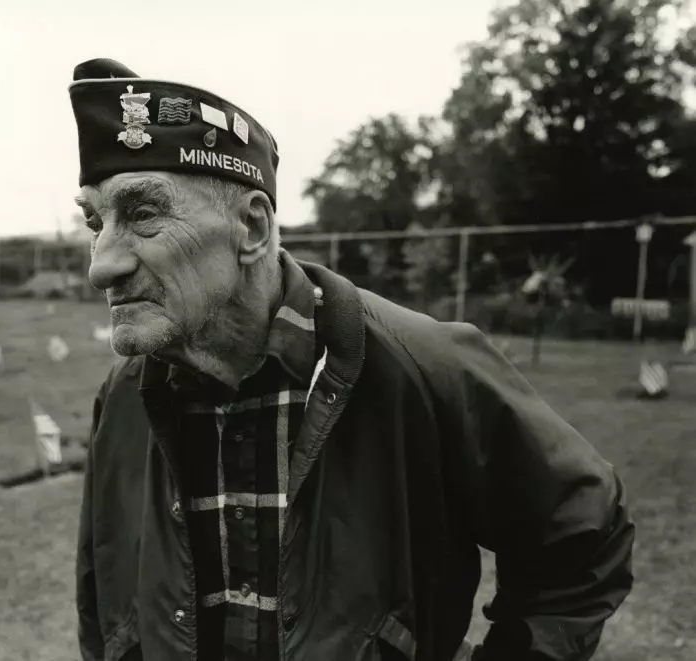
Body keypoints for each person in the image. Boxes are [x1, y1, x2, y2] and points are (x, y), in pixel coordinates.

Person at [69, 58, 634, 661]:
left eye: (144, 214)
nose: (100, 264)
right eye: (95, 222)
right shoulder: (126, 393)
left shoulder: (422, 366)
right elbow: (101, 598)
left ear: (253, 228)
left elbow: (582, 535)